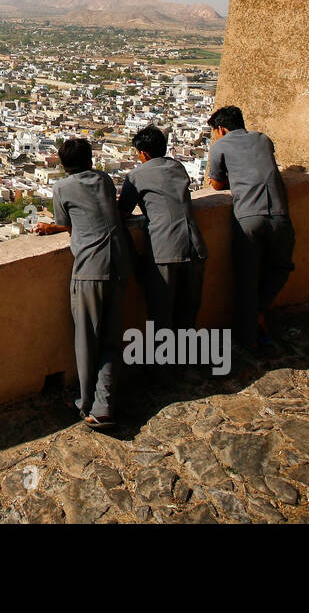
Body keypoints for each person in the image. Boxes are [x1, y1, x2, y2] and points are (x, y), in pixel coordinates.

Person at [35, 137, 131, 430]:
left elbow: (66, 222)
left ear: (63, 166)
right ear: (90, 161)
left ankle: (86, 402)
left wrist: (51, 226)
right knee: (112, 340)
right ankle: (104, 404)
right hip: (121, 263)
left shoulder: (62, 187)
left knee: (87, 339)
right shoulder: (103, 179)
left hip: (91, 268)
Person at [205, 106, 295, 359]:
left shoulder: (220, 146)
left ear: (221, 129)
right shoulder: (263, 139)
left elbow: (216, 183)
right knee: (282, 267)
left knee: (247, 279)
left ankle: (248, 338)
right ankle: (259, 312)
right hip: (279, 213)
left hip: (248, 217)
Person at [119, 125, 207, 376]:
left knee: (161, 314)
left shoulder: (137, 176)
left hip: (165, 248)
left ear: (143, 153)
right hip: (195, 244)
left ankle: (163, 371)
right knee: (188, 310)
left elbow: (124, 211)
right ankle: (185, 363)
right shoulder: (177, 167)